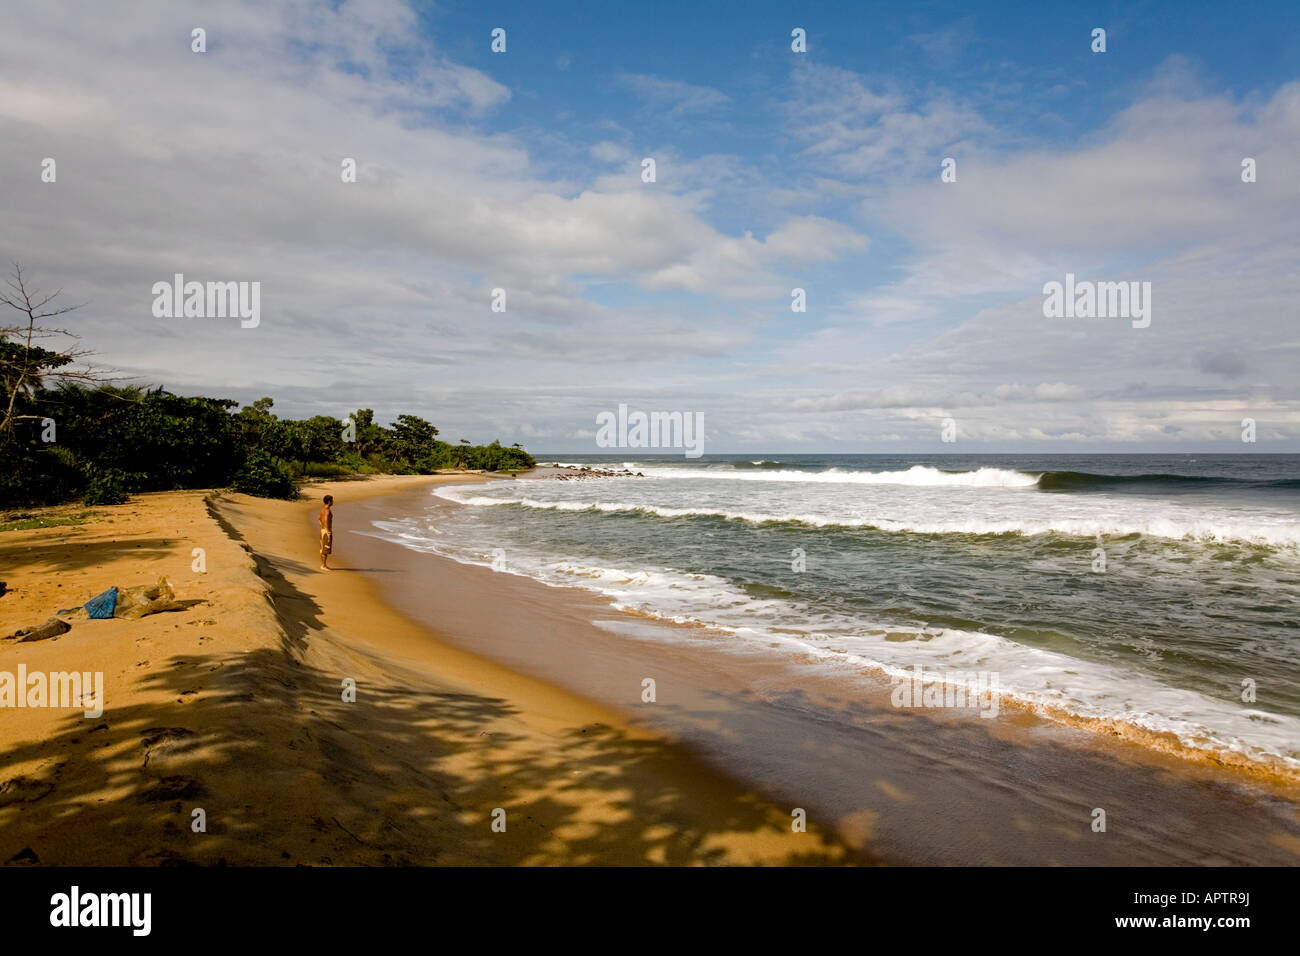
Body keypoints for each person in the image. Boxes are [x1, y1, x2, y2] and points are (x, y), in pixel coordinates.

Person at [318, 495, 334, 571]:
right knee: (325, 549)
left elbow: (319, 519)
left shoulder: (322, 510)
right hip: (326, 531)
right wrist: (327, 530)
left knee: (323, 549)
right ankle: (323, 565)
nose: (333, 502)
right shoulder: (327, 510)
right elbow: (326, 519)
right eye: (332, 500)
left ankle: (323, 565)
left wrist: (322, 527)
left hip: (322, 531)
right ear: (329, 502)